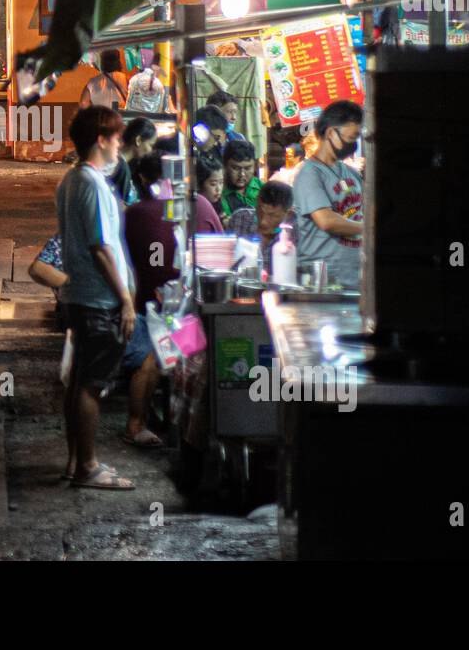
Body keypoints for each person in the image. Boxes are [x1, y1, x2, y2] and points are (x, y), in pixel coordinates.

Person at [56, 105, 136, 490]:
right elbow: (101, 248)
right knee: (91, 384)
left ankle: (76, 463)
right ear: (101, 140)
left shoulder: (71, 180)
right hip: (97, 300)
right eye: (117, 137)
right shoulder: (90, 183)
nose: (121, 144)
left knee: (78, 382)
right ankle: (87, 466)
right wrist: (126, 299)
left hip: (79, 295)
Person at [121, 153, 222, 448]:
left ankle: (143, 422)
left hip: (157, 307)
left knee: (160, 355)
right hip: (170, 311)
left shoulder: (134, 213)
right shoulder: (199, 204)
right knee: (164, 354)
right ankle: (151, 422)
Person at [292, 99, 364, 289]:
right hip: (322, 283)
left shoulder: (352, 173)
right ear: (331, 133)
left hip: (353, 282)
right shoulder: (310, 173)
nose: (354, 145)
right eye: (351, 138)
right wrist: (368, 229)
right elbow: (326, 220)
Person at [226, 180, 294, 273]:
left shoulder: (294, 233)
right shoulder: (240, 219)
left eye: (272, 216)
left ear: (288, 214)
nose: (263, 222)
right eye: (260, 211)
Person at [109, 116, 157, 205]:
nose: (150, 150)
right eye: (150, 145)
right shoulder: (121, 167)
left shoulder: (120, 163)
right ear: (138, 140)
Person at [220, 138, 263, 215]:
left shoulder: (262, 187)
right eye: (236, 168)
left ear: (255, 166)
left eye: (247, 168)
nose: (242, 174)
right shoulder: (218, 193)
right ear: (225, 166)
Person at [195, 152, 226, 220]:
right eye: (213, 184)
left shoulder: (221, 204)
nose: (219, 189)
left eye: (221, 182)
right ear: (199, 184)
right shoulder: (198, 208)